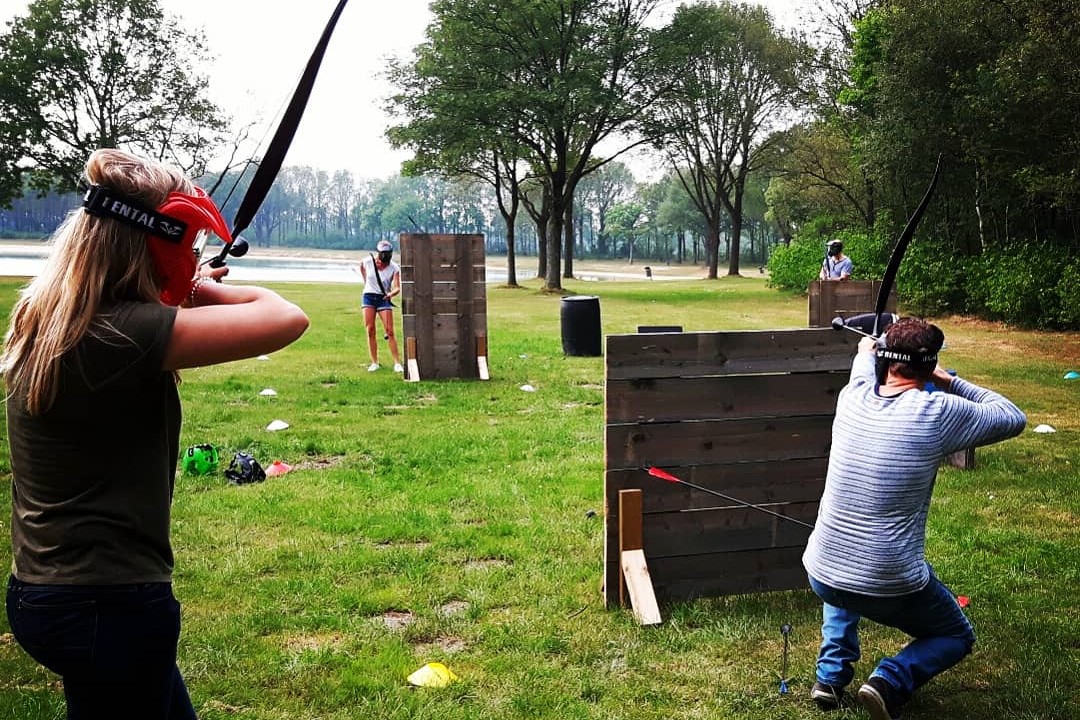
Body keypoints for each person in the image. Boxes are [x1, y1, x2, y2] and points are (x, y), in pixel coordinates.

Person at [2, 148, 310, 719]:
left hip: (50, 590)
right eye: (186, 248)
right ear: (153, 247)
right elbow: (285, 316)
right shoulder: (121, 334)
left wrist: (180, 283)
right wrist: (194, 288)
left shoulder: (53, 321)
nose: (192, 259)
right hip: (108, 603)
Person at [802, 318, 1026, 720]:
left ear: (884, 361)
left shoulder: (852, 396)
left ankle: (830, 679)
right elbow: (1011, 415)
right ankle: (889, 681)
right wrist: (948, 380)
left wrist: (869, 351)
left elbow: (863, 360)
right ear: (929, 364)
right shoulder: (937, 411)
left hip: (822, 569)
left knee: (846, 577)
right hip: (887, 579)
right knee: (955, 634)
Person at [359, 239, 403, 373]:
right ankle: (374, 362)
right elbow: (361, 267)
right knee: (370, 329)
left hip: (383, 298)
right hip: (368, 296)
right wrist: (366, 283)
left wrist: (391, 294)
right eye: (383, 253)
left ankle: (397, 363)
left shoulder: (394, 268)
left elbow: (397, 287)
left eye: (388, 254)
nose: (385, 256)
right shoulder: (367, 262)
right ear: (378, 253)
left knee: (389, 331)